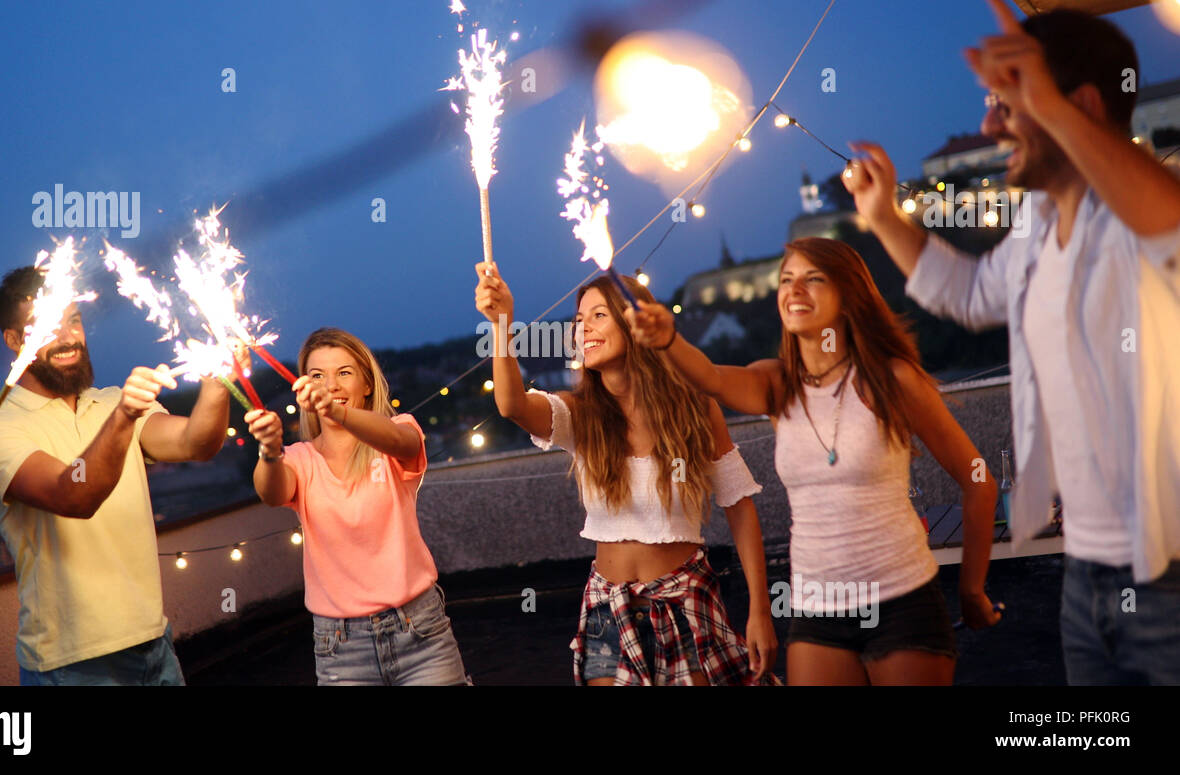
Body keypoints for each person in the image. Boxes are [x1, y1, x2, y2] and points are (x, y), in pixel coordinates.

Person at [841, 0, 1180, 684]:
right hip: (1088, 566)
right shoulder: (1035, 222)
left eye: (1008, 103)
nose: (989, 126)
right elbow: (967, 293)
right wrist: (882, 218)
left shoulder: (1150, 203)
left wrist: (1053, 107)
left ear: (1075, 103)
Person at [628, 237, 1001, 685]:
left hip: (902, 603)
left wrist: (972, 589)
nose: (795, 290)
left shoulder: (892, 380)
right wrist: (668, 340)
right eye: (787, 280)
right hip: (816, 612)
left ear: (848, 297)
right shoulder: (777, 383)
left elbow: (978, 480)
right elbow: (710, 378)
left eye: (813, 279)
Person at [475, 262, 776, 686]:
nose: (584, 328)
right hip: (606, 609)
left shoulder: (694, 406)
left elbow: (739, 507)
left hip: (682, 599)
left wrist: (761, 611)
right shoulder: (579, 414)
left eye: (599, 315)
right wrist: (502, 323)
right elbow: (511, 405)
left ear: (636, 321)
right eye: (579, 320)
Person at [0, 266, 234, 685]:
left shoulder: (111, 400)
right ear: (13, 340)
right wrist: (124, 418)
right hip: (73, 666)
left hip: (155, 645)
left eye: (74, 321)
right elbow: (73, 495)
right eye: (46, 327)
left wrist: (216, 382)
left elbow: (196, 443)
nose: (67, 338)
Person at [245, 327, 469, 686]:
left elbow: (404, 443)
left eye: (344, 373)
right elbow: (271, 493)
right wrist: (269, 452)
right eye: (317, 376)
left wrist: (335, 411)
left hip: (420, 630)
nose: (330, 385)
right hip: (340, 647)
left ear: (367, 384)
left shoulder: (396, 431)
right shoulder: (298, 459)